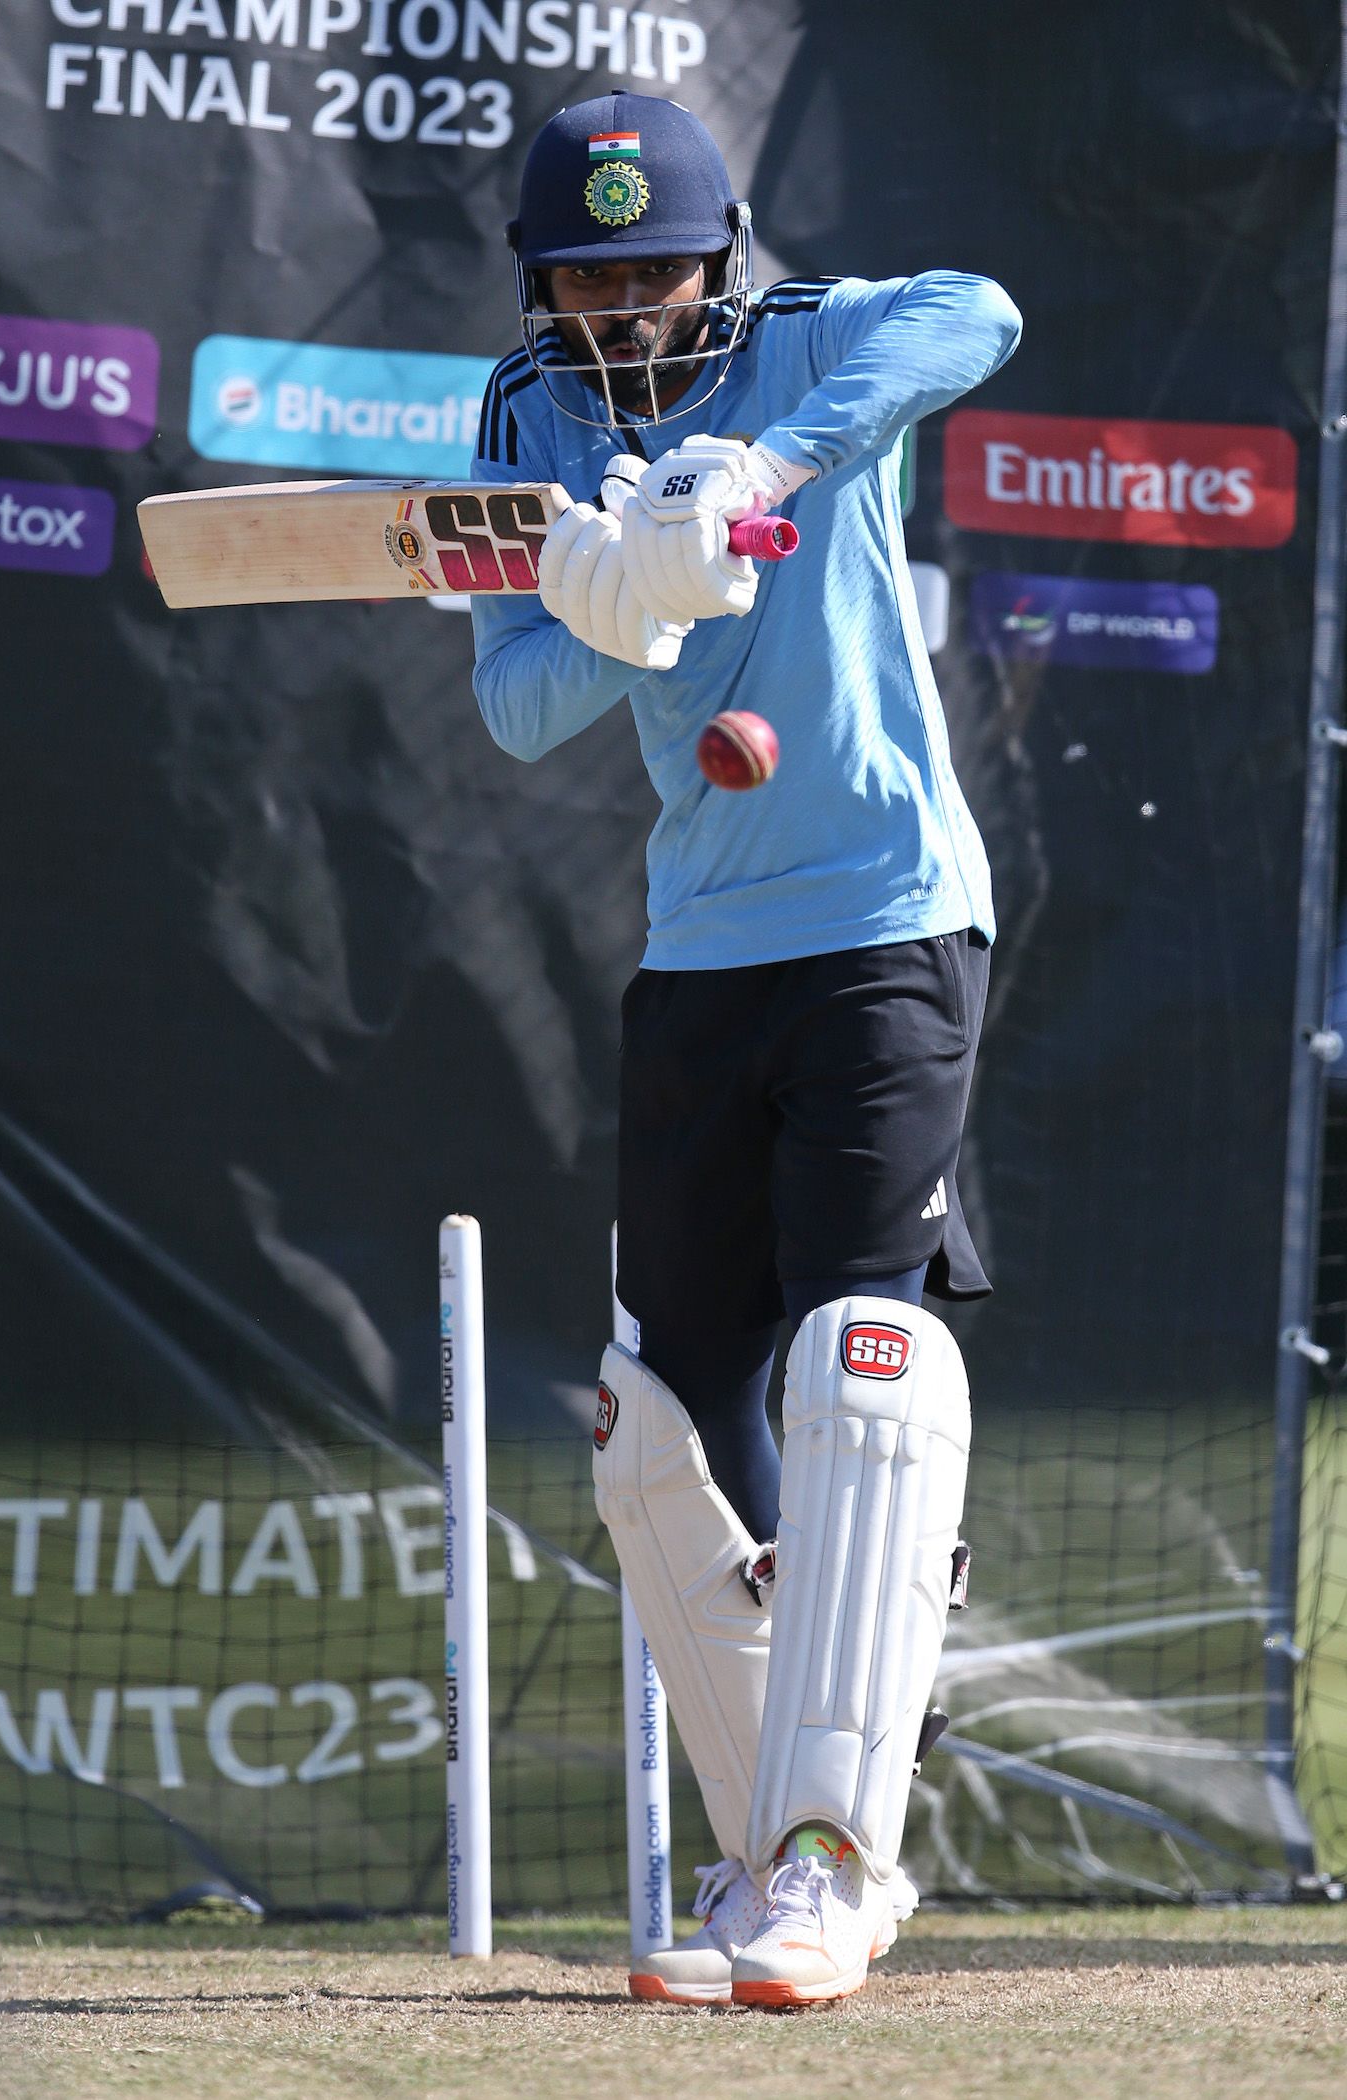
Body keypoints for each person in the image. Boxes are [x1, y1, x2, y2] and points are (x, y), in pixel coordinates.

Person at [470, 89, 1021, 2009]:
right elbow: (524, 708)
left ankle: (830, 1855)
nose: (624, 305)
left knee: (862, 1356)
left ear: (721, 255)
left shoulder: (797, 345)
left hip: (882, 922)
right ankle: (764, 1866)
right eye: (587, 275)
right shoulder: (526, 419)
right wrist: (613, 593)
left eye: (655, 266)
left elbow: (977, 312)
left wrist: (746, 471)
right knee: (656, 1426)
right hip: (701, 946)